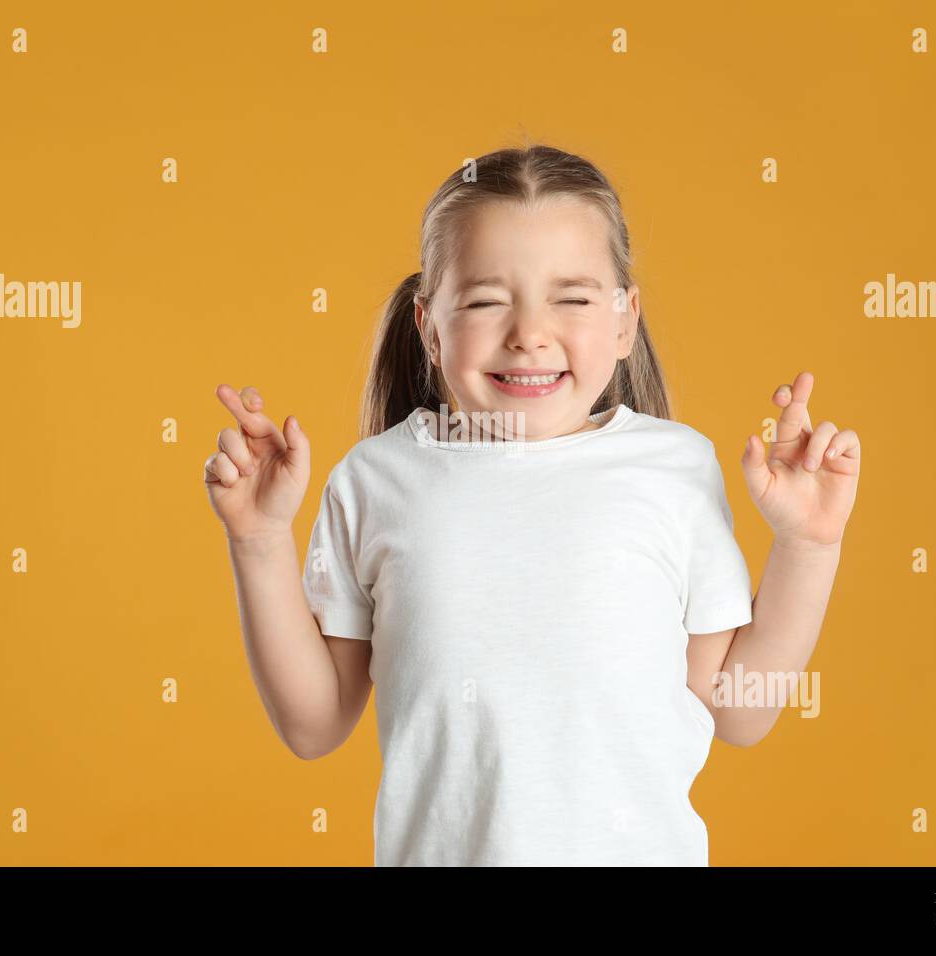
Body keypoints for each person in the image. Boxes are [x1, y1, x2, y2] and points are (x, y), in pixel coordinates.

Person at [204, 144, 861, 866]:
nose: (528, 334)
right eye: (486, 301)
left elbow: (739, 709)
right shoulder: (374, 481)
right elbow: (314, 724)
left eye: (572, 298)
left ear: (623, 321)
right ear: (428, 326)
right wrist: (261, 539)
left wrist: (808, 546)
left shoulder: (675, 469)